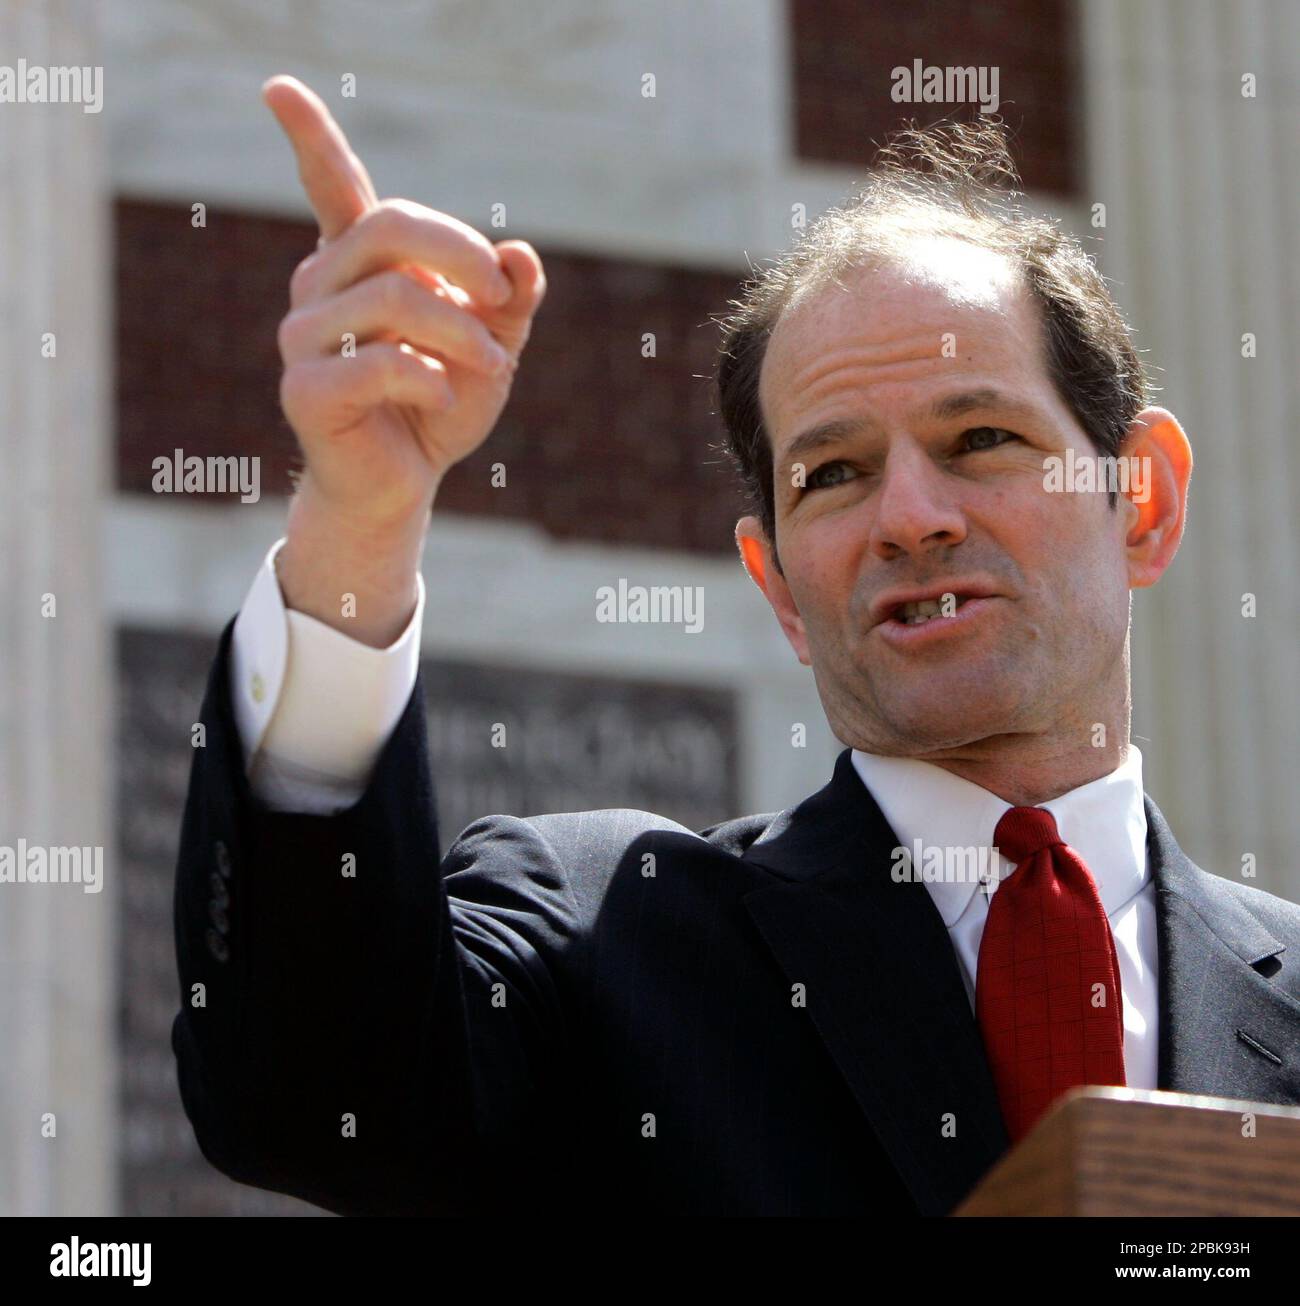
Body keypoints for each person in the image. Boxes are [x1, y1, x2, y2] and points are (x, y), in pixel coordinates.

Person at [172, 77, 1300, 1216]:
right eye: (835, 473)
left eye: (980, 437)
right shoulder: (608, 934)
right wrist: (358, 527)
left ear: (1142, 502)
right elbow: (309, 1096)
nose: (910, 515)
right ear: (780, 590)